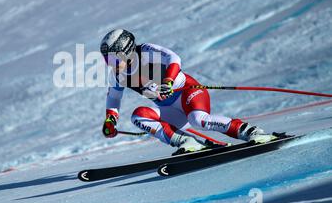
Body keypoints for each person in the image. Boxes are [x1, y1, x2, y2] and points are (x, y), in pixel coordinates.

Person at [100, 28, 272, 154]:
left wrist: (168, 81)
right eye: (106, 59)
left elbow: (174, 58)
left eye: (114, 58)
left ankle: (252, 132)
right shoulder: (117, 75)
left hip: (188, 93)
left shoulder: (144, 51)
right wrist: (110, 120)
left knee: (199, 120)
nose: (110, 63)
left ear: (127, 51)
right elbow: (114, 99)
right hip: (169, 109)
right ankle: (188, 142)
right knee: (138, 116)